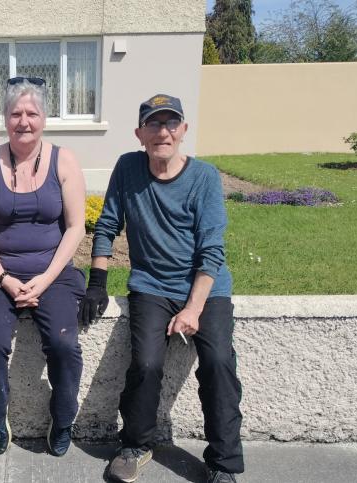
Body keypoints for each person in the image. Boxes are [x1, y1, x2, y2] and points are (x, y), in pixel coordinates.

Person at [79, 94, 244, 483]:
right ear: (140, 134)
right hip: (151, 285)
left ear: (183, 130)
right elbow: (106, 225)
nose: (163, 132)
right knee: (146, 364)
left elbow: (212, 249)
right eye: (154, 124)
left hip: (206, 287)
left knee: (219, 363)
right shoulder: (128, 167)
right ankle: (136, 443)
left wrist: (192, 309)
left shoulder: (204, 176)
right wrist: (97, 283)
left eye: (171, 123)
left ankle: (224, 463)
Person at [0, 77, 87, 457]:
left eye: (32, 113)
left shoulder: (64, 160)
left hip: (55, 274)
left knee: (65, 344)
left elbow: (76, 227)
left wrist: (45, 279)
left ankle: (64, 418)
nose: (24, 121)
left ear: (44, 118)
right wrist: (4, 278)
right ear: (5, 118)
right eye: (16, 113)